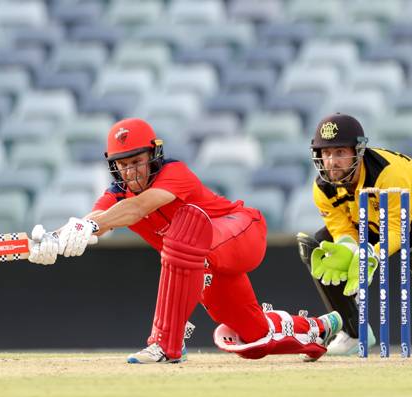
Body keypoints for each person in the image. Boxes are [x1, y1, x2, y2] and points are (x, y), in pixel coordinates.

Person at [28, 117, 342, 363]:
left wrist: (91, 226)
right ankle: (317, 328)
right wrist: (58, 238)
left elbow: (138, 207)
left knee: (184, 236)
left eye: (136, 160)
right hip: (202, 262)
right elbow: (95, 222)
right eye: (123, 165)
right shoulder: (115, 196)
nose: (131, 171)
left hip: (241, 231)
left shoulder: (174, 173)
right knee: (253, 339)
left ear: (153, 154)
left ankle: (165, 343)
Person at [297, 112, 412, 356]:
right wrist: (348, 249)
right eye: (325, 153)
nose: (332, 161)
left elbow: (398, 229)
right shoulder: (322, 188)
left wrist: (371, 254)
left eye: (340, 152)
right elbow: (341, 229)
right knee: (320, 247)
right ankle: (354, 332)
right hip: (372, 220)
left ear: (358, 151)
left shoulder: (387, 174)